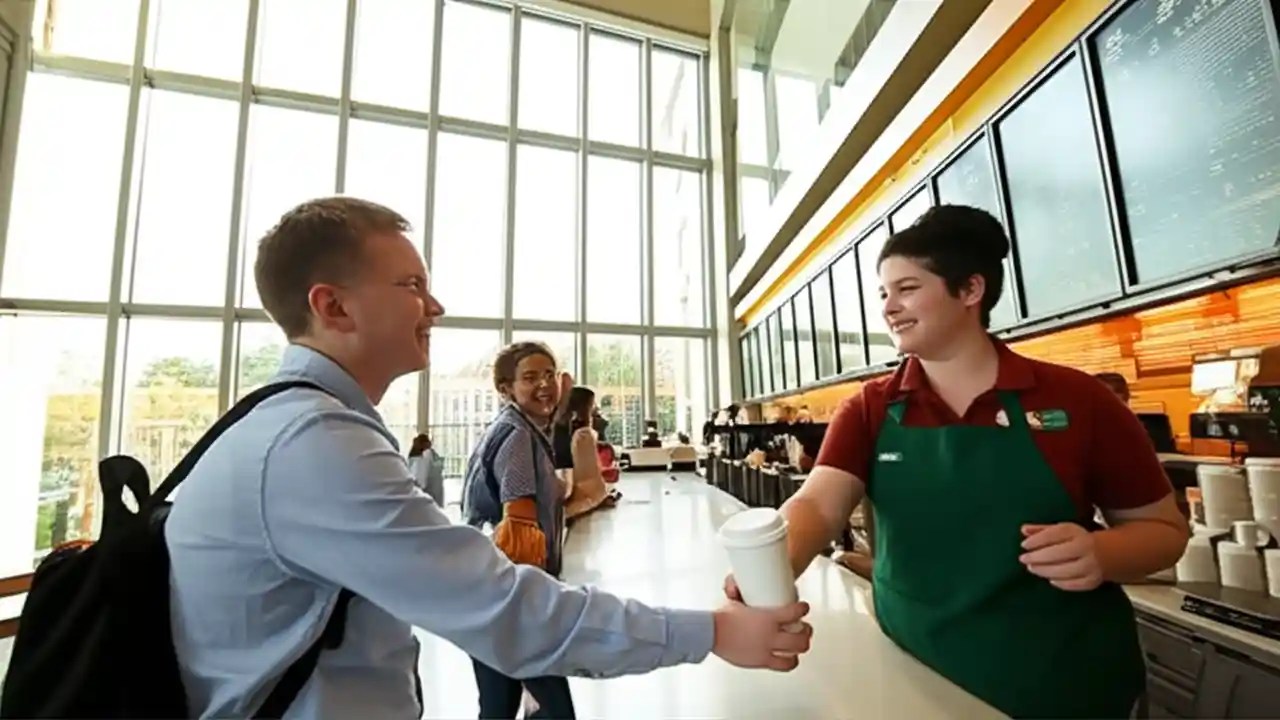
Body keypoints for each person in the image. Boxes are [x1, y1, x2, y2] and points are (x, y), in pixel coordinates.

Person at [165, 197, 812, 718]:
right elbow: (506, 609)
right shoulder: (312, 445)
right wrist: (715, 632)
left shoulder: (287, 424)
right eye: (413, 285)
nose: (436, 307)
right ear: (332, 305)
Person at [727, 205, 1188, 719]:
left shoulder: (1079, 400)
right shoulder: (871, 409)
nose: (889, 307)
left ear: (971, 291)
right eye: (883, 293)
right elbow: (819, 504)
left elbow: (1163, 532)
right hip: (915, 675)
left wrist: (1102, 554)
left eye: (907, 288)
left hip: (1067, 680)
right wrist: (770, 567)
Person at [461, 342, 578, 719]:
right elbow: (520, 531)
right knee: (555, 710)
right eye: (530, 377)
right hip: (512, 599)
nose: (545, 384)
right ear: (505, 388)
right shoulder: (518, 437)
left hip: (485, 595)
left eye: (549, 374)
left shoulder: (513, 428)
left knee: (497, 707)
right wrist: (539, 602)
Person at [550, 385, 617, 521]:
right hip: (576, 501)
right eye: (592, 406)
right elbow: (589, 480)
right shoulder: (584, 435)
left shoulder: (556, 428)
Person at [407, 433, 445, 504]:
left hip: (424, 497)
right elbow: (421, 482)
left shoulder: (415, 459)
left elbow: (420, 482)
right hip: (431, 496)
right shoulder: (426, 456)